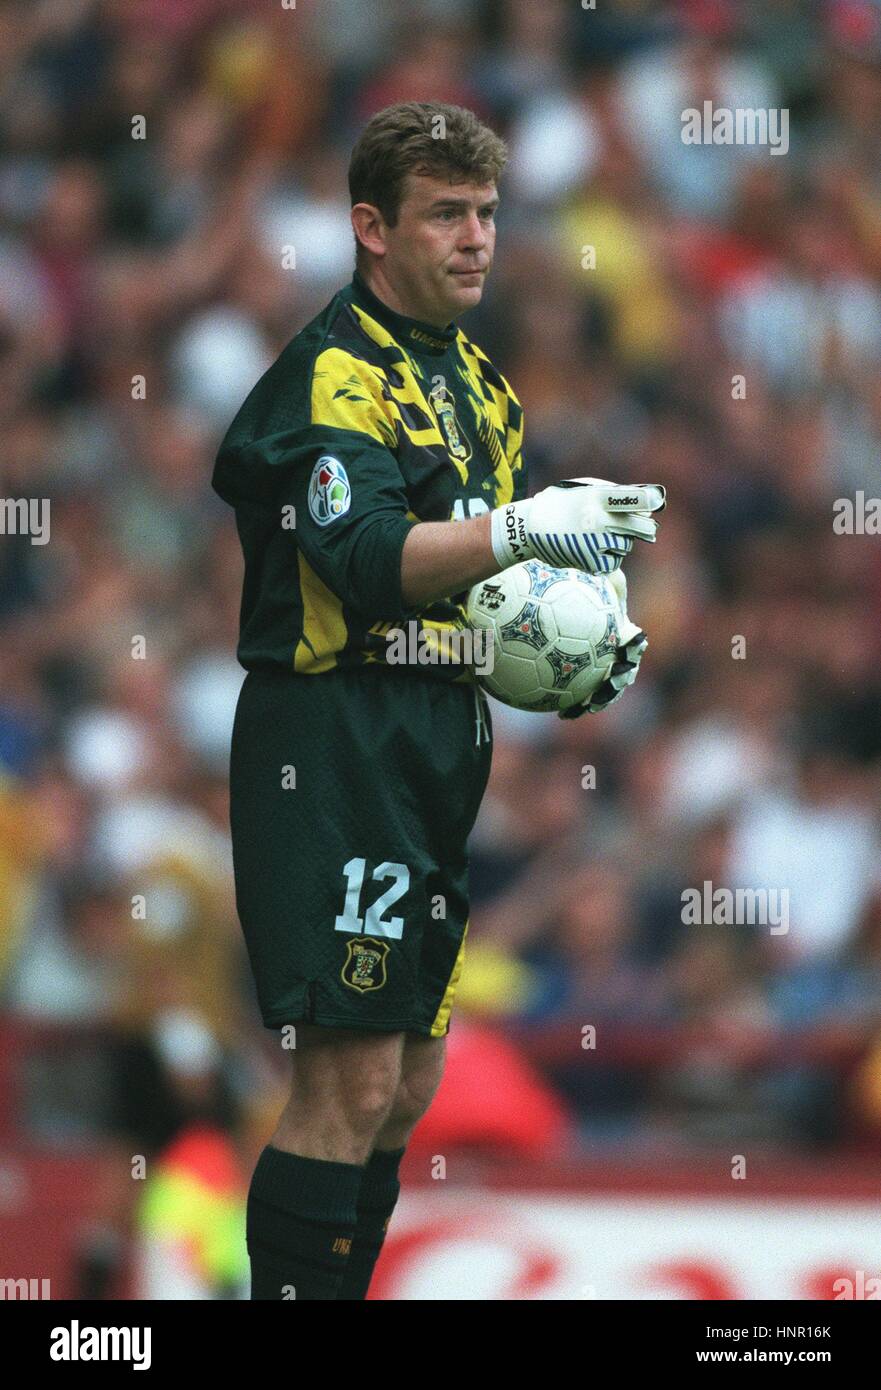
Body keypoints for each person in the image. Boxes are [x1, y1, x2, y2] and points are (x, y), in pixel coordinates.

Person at [212, 100, 665, 1301]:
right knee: (346, 1080)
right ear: (371, 228)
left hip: (437, 738)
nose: (476, 239)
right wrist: (516, 527)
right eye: (446, 215)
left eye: (486, 214)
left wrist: (570, 649)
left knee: (407, 1081)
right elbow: (360, 558)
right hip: (332, 736)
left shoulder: (479, 385)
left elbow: (490, 593)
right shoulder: (329, 377)